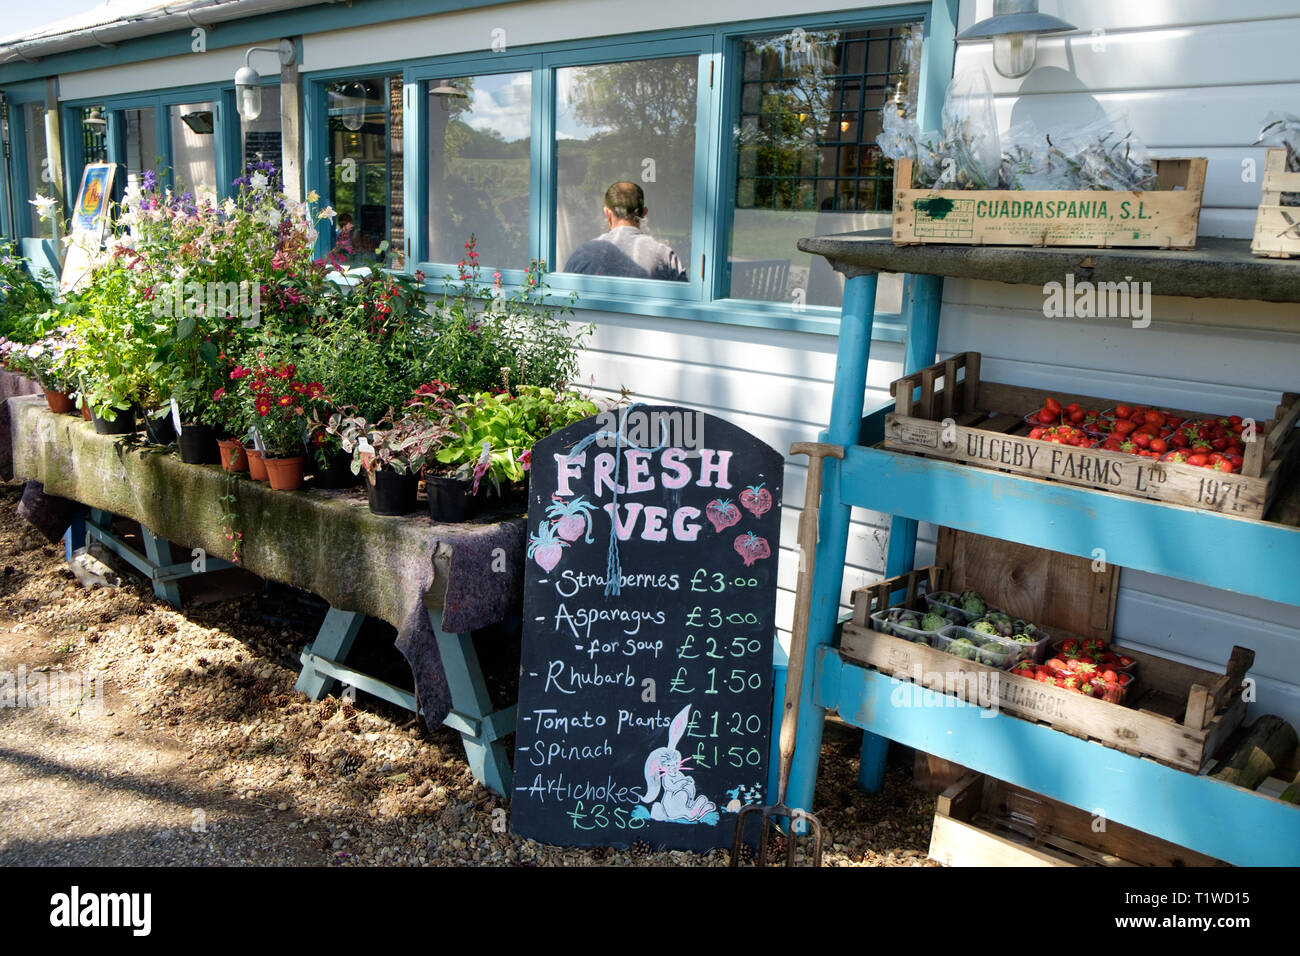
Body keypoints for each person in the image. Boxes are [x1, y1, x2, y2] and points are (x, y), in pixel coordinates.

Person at [564, 182, 687, 281]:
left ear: (607, 213)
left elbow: (563, 302)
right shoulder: (664, 256)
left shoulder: (583, 254)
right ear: (644, 213)